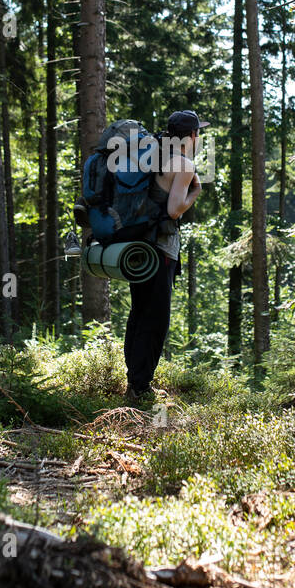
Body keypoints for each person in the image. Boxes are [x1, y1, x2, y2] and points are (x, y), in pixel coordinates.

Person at [123, 109, 210, 404]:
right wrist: (195, 192)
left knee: (139, 312)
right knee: (156, 318)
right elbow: (174, 210)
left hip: (136, 246)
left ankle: (134, 381)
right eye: (198, 133)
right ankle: (140, 387)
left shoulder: (151, 152)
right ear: (192, 136)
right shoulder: (183, 164)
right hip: (160, 249)